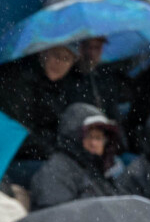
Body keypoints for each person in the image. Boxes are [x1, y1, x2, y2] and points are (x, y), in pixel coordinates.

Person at [0, 45, 82, 182]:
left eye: (66, 59)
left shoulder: (61, 87)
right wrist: (53, 148)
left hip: (40, 154)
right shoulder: (19, 80)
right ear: (43, 54)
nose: (59, 63)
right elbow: (18, 134)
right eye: (56, 55)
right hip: (16, 159)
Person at [30, 103, 119, 209]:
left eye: (99, 138)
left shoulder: (100, 172)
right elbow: (56, 219)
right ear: (74, 137)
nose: (94, 143)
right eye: (89, 136)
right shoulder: (56, 171)